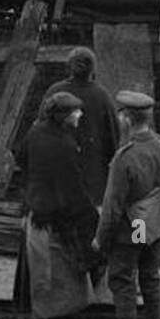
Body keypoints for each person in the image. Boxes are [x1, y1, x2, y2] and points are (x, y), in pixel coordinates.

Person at [94, 91, 160, 319]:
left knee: (122, 283)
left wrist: (101, 239)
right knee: (152, 279)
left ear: (127, 119)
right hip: (153, 229)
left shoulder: (124, 157)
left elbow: (112, 207)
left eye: (121, 114)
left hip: (128, 232)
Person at [16, 91, 98, 319]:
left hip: (37, 209)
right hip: (54, 216)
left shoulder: (36, 131)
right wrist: (89, 214)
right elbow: (72, 185)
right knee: (52, 271)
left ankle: (58, 313)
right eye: (75, 112)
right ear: (63, 116)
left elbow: (21, 160)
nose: (80, 114)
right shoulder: (63, 144)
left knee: (48, 268)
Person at [44, 46, 118, 207]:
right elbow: (113, 139)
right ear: (93, 70)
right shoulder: (101, 96)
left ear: (69, 67)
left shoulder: (55, 92)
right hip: (92, 178)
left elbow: (40, 131)